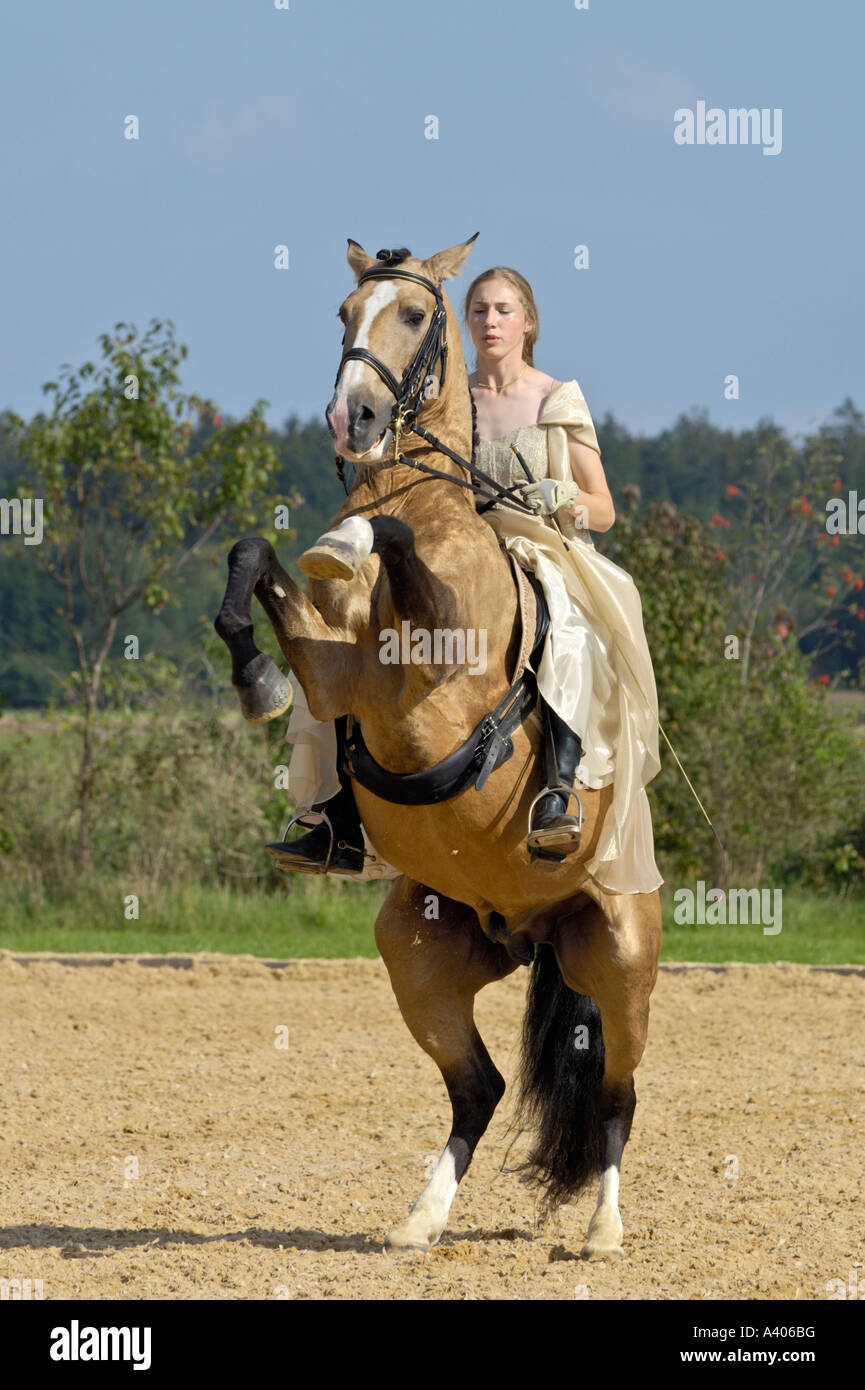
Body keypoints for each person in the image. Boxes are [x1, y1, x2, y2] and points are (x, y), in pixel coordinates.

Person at [271, 267, 663, 893]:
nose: (490, 322)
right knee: (347, 633)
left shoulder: (556, 399)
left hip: (536, 546)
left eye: (504, 311)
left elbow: (605, 508)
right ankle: (335, 813)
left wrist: (561, 496)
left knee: (566, 624)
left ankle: (559, 790)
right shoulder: (440, 399)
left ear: (528, 322)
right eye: (479, 310)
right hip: (444, 552)